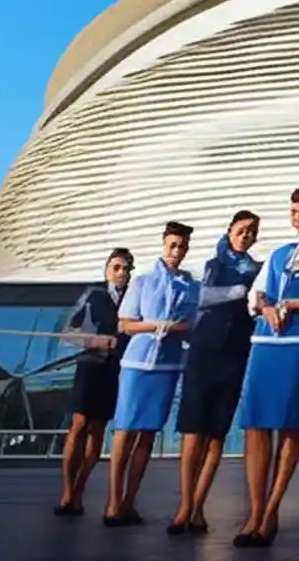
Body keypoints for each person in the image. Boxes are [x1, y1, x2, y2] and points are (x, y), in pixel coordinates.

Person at [235, 186, 299, 547]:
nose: (298, 218)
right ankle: (255, 507)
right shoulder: (279, 253)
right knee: (256, 425)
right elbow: (256, 293)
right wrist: (264, 307)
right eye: (294, 211)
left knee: (289, 424)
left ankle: (271, 511)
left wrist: (296, 304)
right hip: (266, 342)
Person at [169, 210, 262, 535]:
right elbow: (201, 298)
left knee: (216, 435)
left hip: (234, 356)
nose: (246, 235)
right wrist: (237, 292)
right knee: (193, 431)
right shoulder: (212, 265)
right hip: (204, 353)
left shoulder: (257, 270)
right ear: (230, 231)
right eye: (241, 230)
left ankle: (198, 506)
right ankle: (184, 505)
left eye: (252, 231)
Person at [106, 222, 199, 527]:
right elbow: (126, 323)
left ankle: (130, 501)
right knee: (125, 429)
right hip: (138, 363)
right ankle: (113, 500)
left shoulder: (191, 286)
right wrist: (159, 325)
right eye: (173, 245)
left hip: (168, 364)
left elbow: (193, 323)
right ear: (163, 244)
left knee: (147, 433)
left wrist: (180, 328)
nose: (177, 252)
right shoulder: (143, 282)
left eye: (182, 247)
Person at [55, 247, 134, 517]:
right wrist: (95, 341)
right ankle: (67, 491)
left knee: (98, 427)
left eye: (126, 268)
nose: (122, 273)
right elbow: (67, 333)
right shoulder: (93, 295)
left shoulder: (134, 297)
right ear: (106, 270)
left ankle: (79, 490)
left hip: (115, 369)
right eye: (117, 267)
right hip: (90, 366)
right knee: (78, 424)